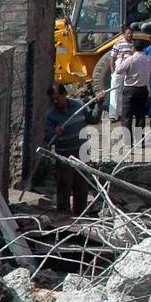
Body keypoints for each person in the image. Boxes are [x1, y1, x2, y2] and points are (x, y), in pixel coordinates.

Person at [44, 85, 98, 215]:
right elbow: (48, 140)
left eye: (57, 98)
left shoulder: (79, 106)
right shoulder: (51, 116)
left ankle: (80, 215)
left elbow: (94, 119)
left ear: (64, 94)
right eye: (53, 100)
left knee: (81, 186)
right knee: (64, 187)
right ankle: (63, 216)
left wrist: (99, 105)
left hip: (82, 153)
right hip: (64, 157)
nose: (55, 102)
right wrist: (54, 133)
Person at [115, 37, 151, 143]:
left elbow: (118, 70)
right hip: (143, 89)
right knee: (140, 116)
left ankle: (128, 142)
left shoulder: (131, 59)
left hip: (130, 89)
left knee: (127, 116)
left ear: (133, 48)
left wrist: (119, 60)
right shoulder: (149, 59)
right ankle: (139, 141)